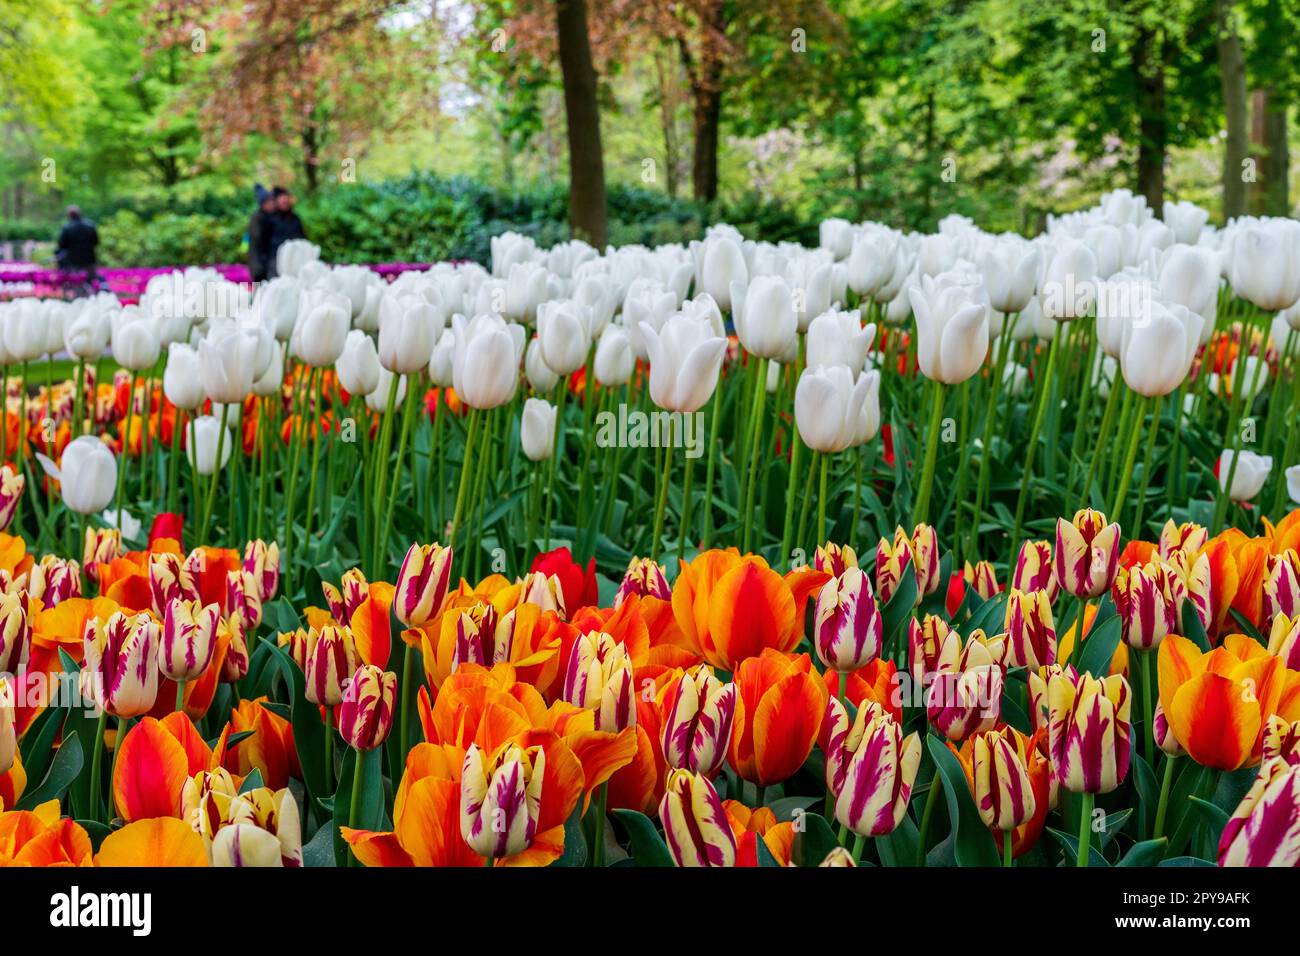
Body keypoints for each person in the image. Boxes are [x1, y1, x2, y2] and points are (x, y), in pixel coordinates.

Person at [262, 186, 306, 278]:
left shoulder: (295, 218)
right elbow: (262, 243)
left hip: (296, 261)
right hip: (274, 261)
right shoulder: (269, 219)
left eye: (286, 198)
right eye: (282, 199)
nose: (285, 201)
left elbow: (303, 238)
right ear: (276, 201)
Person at [55, 206, 100, 294]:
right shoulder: (90, 225)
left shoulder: (67, 228)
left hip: (73, 259)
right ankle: (93, 298)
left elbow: (61, 245)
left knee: (75, 281)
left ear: (69, 215)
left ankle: (77, 297)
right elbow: (96, 242)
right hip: (89, 258)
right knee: (90, 281)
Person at [246, 184, 277, 282]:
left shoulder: (269, 216)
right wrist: (257, 267)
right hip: (260, 266)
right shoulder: (257, 218)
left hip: (265, 264)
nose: (273, 203)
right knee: (260, 293)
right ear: (263, 203)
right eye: (270, 201)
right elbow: (253, 243)